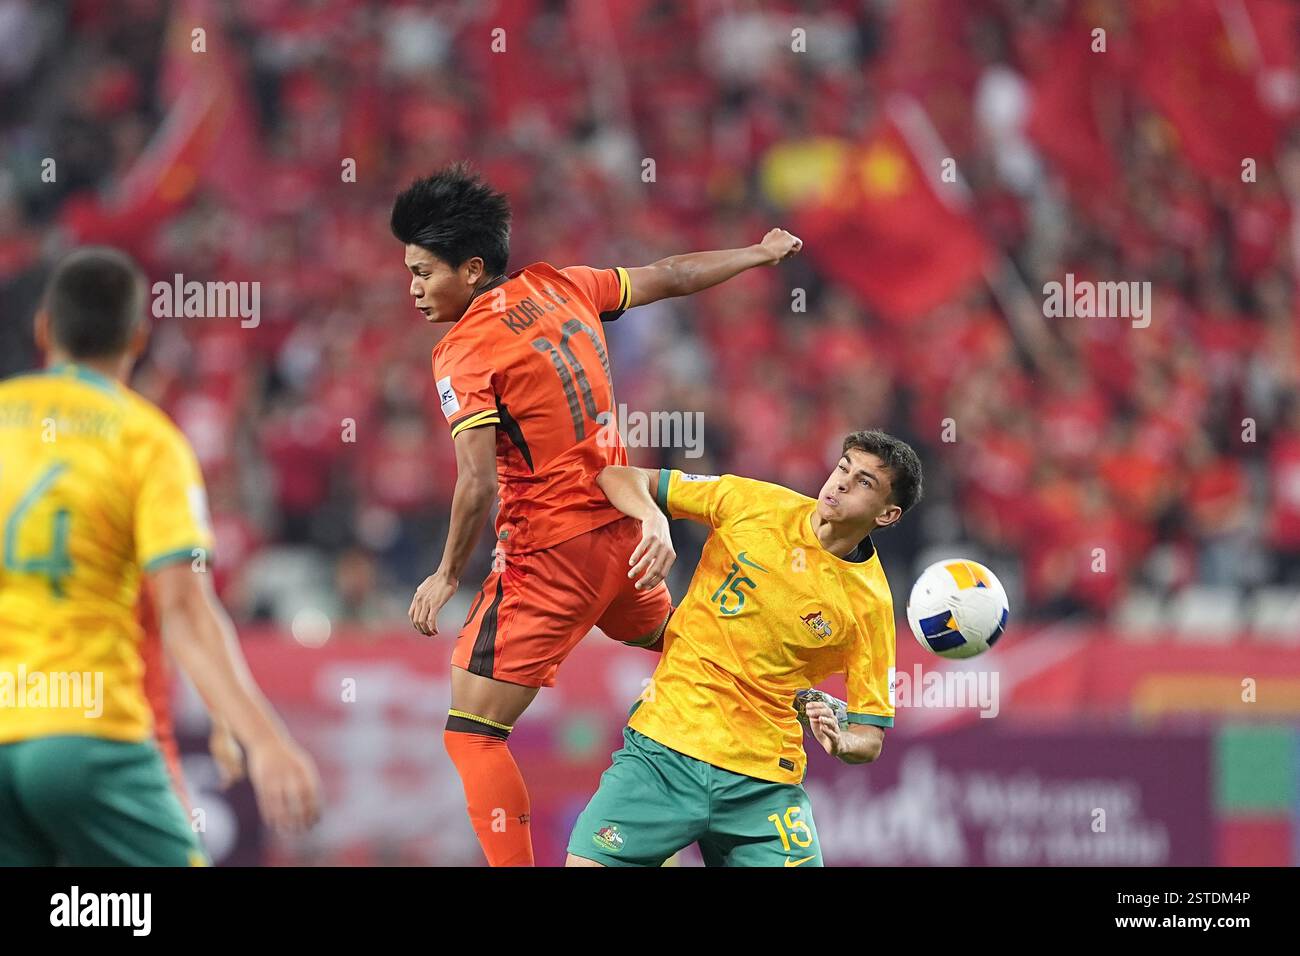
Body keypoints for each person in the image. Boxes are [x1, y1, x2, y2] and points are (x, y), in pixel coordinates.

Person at [391, 162, 803, 865]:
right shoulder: (564, 284)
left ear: (472, 268)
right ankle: (797, 701)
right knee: (683, 646)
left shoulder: (462, 350)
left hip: (551, 554)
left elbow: (477, 482)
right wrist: (758, 254)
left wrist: (445, 574)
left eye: (424, 272)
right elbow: (670, 275)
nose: (414, 288)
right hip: (624, 530)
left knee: (473, 733)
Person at [0, 247, 320, 865]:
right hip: (85, 733)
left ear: (43, 328)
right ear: (138, 338)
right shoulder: (147, 439)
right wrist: (264, 740)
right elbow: (186, 612)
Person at [565, 430, 922, 867]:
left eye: (865, 482)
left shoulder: (871, 605)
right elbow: (618, 477)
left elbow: (870, 736)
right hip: (663, 751)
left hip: (763, 786)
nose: (842, 483)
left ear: (887, 513)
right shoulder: (754, 502)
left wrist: (841, 741)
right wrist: (654, 518)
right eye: (843, 468)